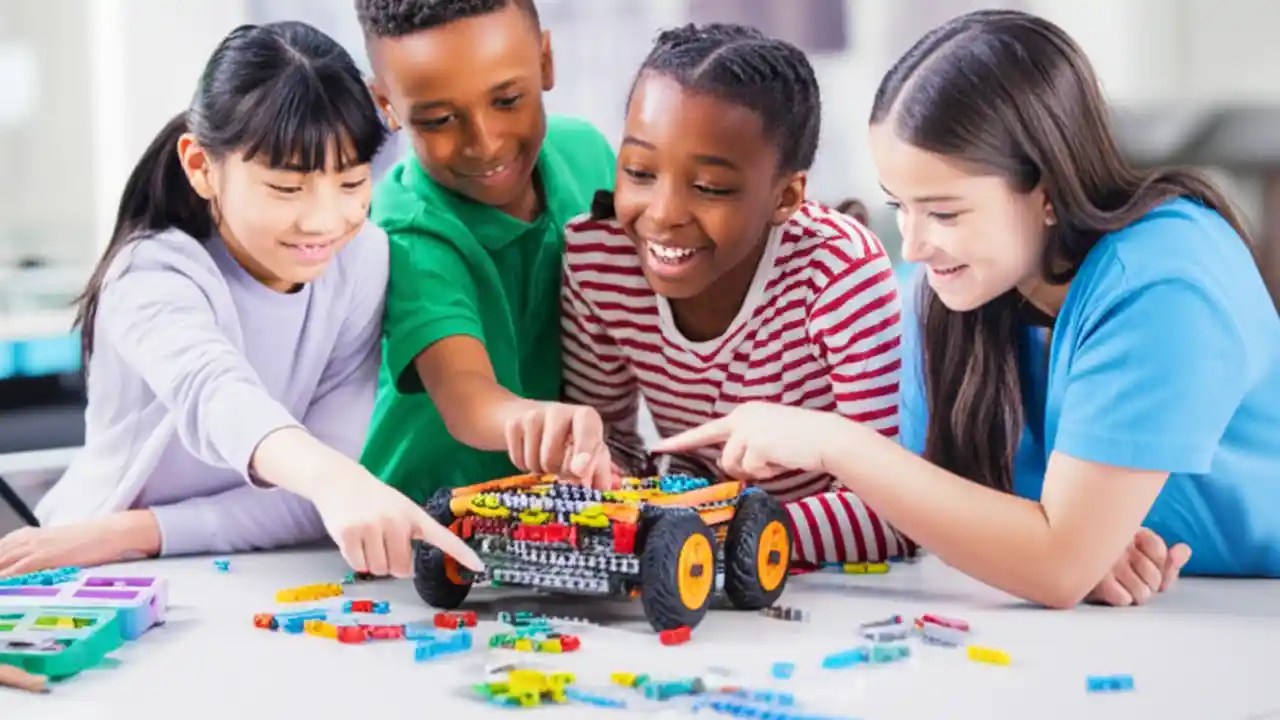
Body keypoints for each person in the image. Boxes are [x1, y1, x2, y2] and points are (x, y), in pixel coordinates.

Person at [655, 10, 1280, 606]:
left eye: (945, 212)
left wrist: (832, 443)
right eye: (900, 206)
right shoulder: (952, 292)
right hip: (1162, 612)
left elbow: (1055, 564)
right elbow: (962, 515)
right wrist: (1053, 546)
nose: (915, 243)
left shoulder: (1163, 282)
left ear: (1048, 190)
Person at [0, 21, 481, 578]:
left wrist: (140, 529)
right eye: (286, 188)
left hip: (241, 563)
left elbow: (309, 501)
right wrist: (333, 480)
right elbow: (218, 395)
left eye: (351, 184)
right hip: (92, 564)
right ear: (202, 167)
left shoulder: (363, 259)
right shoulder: (151, 272)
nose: (324, 221)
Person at [560, 23, 914, 564]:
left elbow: (894, 509)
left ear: (786, 196)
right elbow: (617, 447)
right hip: (693, 572)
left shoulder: (840, 272)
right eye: (639, 171)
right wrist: (602, 473)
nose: (663, 214)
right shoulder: (597, 257)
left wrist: (710, 532)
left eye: (709, 188)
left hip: (834, 585)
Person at [354, 0, 619, 502]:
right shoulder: (406, 222)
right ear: (386, 104)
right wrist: (544, 423)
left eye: (507, 100)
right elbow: (467, 398)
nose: (485, 142)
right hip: (424, 515)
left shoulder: (587, 153)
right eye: (439, 120)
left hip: (565, 500)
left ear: (545, 62)